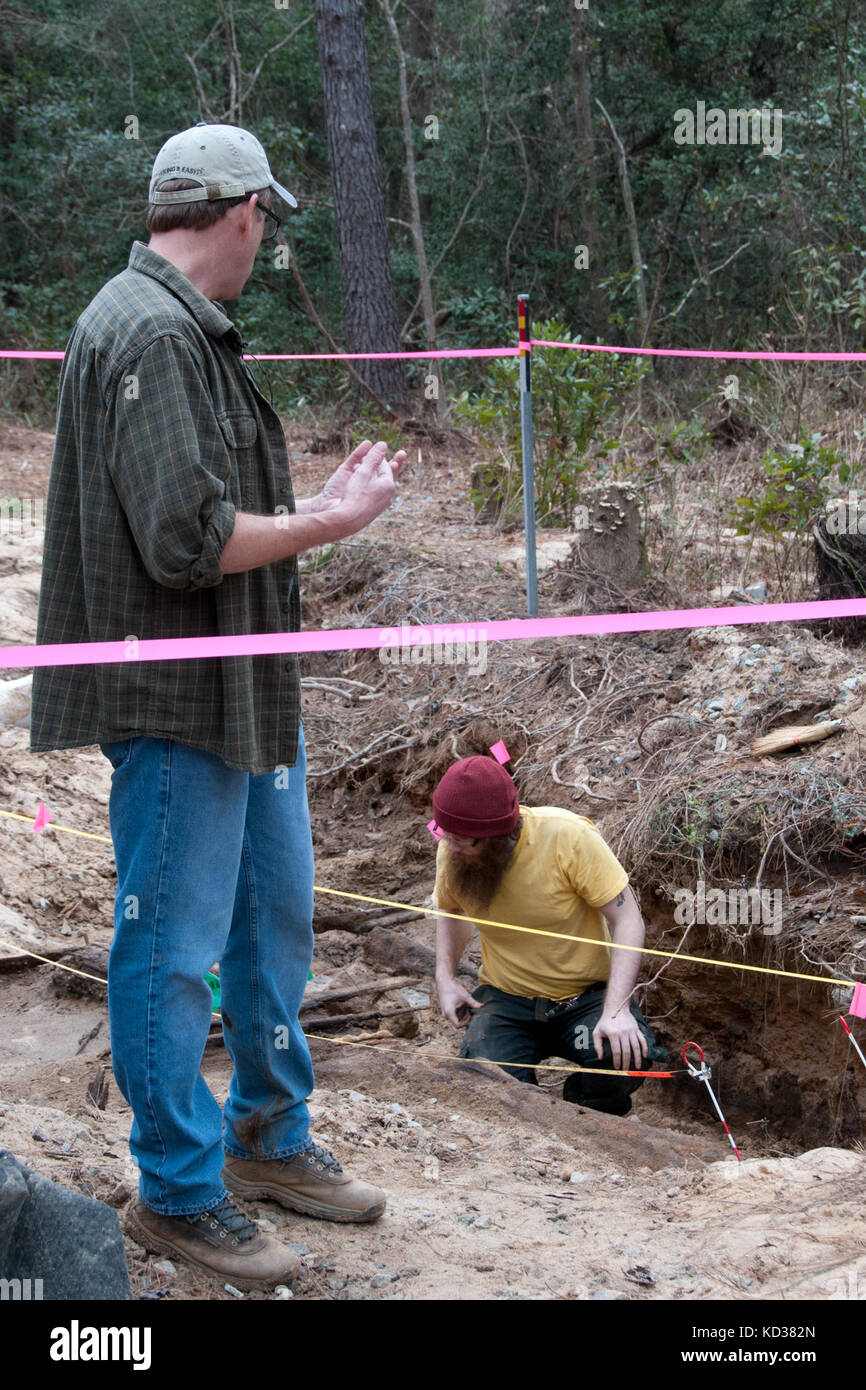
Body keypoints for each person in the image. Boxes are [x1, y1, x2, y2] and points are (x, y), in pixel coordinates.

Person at [30, 123, 406, 1290]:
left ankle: (266, 1139)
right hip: (178, 693)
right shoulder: (144, 329)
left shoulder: (180, 328)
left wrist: (314, 520)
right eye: (267, 219)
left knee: (270, 927)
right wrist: (331, 523)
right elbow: (187, 539)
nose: (265, 237)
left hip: (243, 685)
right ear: (240, 211)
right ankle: (179, 1194)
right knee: (172, 949)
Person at [431, 756, 667, 1114]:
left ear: (497, 835)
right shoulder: (456, 851)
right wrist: (445, 977)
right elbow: (451, 910)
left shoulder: (568, 837)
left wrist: (617, 1009)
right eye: (446, 836)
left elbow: (628, 918)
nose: (451, 847)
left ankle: (586, 1110)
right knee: (489, 1085)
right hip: (507, 998)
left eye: (463, 840)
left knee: (626, 1058)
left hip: (583, 997)